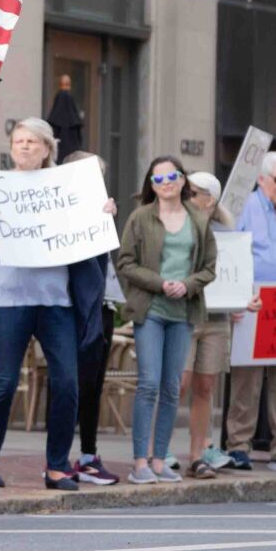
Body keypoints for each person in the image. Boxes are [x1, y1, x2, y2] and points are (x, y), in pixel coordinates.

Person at [0, 118, 106, 491]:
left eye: (32, 141)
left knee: (66, 382)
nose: (24, 146)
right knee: (4, 382)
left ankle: (57, 467)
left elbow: (89, 234)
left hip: (55, 299)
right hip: (9, 298)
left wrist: (103, 213)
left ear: (48, 148)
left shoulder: (63, 187)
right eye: (18, 140)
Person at [116, 157, 216, 485]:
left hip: (183, 312)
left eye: (172, 176)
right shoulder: (141, 217)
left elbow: (209, 268)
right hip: (151, 310)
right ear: (151, 184)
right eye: (158, 179)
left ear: (183, 179)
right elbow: (125, 263)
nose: (166, 182)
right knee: (148, 384)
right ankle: (139, 463)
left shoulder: (198, 219)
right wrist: (160, 283)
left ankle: (160, 461)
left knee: (172, 388)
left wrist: (187, 285)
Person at [225, 151, 276, 473]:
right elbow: (229, 252)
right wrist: (235, 298)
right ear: (261, 179)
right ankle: (238, 446)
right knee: (247, 381)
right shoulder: (243, 208)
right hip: (252, 300)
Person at [66, 151, 120, 486]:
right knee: (70, 384)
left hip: (104, 305)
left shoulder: (102, 210)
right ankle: (58, 458)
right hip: (72, 307)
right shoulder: (59, 210)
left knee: (93, 383)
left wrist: (106, 219)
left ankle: (88, 455)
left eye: (99, 175)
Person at [181, 171, 235, 477]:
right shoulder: (175, 225)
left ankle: (197, 454)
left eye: (193, 193)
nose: (186, 198)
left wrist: (243, 298)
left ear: (209, 200)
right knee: (178, 383)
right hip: (185, 313)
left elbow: (238, 273)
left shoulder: (228, 234)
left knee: (205, 386)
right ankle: (156, 450)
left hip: (216, 318)